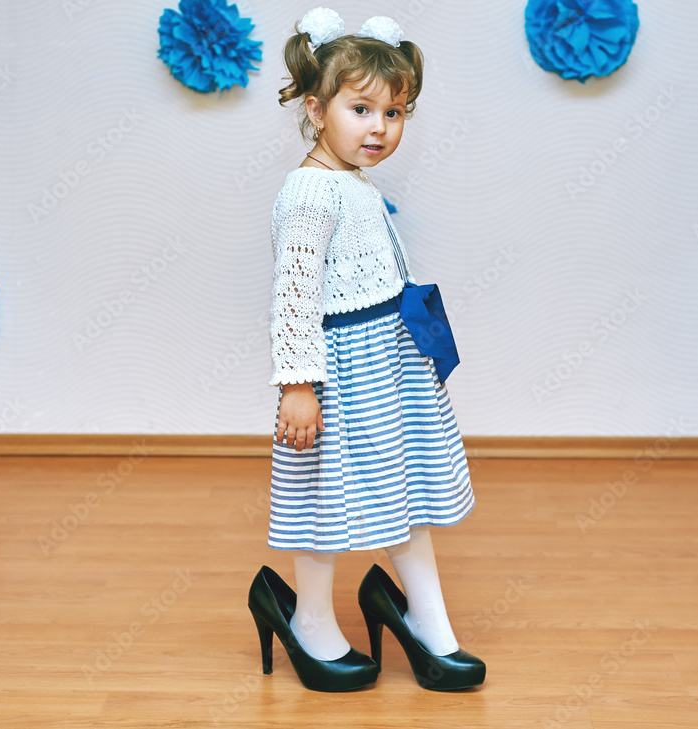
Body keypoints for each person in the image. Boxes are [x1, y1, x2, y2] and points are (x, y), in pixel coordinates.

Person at [247, 7, 485, 693]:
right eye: (362, 108)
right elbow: (293, 293)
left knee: (407, 487)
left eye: (397, 112)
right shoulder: (310, 191)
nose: (381, 127)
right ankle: (310, 622)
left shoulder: (353, 182)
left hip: (388, 360)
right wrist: (297, 383)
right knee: (328, 499)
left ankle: (427, 618)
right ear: (318, 110)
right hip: (340, 371)